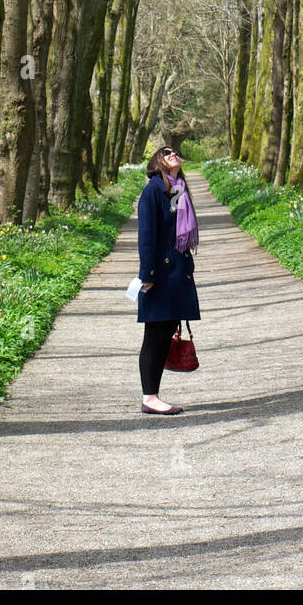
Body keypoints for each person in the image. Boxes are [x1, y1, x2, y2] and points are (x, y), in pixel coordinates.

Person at [136, 146, 200, 415]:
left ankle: (153, 395)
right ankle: (149, 397)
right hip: (160, 275)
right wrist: (147, 275)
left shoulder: (178, 188)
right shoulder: (153, 190)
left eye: (175, 151)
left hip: (177, 272)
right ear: (157, 162)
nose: (173, 154)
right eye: (166, 152)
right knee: (155, 335)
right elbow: (147, 235)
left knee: (164, 334)